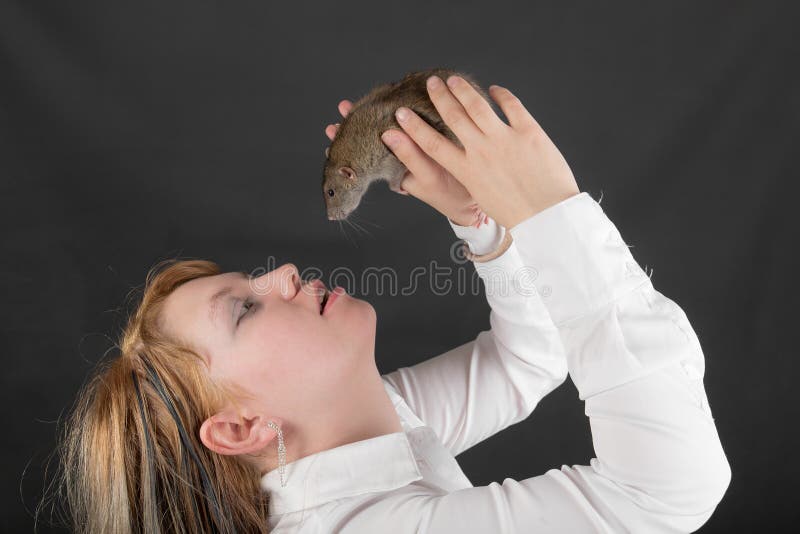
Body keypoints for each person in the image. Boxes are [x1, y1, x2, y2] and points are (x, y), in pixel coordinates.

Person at [48, 75, 731, 533]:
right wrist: (551, 213)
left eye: (248, 284)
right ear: (239, 428)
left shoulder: (361, 425)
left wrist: (482, 221)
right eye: (245, 309)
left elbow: (530, 361)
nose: (281, 271)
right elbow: (666, 490)